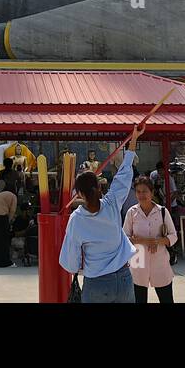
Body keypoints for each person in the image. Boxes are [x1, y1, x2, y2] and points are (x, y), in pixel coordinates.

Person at [59, 124, 143, 303]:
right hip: (124, 278)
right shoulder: (112, 203)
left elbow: (70, 263)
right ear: (99, 186)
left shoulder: (76, 220)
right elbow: (125, 173)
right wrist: (134, 138)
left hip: (97, 281)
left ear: (79, 194)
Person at [123, 174, 178, 303]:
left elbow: (173, 236)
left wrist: (157, 242)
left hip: (160, 261)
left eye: (145, 191)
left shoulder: (162, 212)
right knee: (139, 299)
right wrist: (140, 241)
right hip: (138, 261)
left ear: (152, 193)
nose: (141, 195)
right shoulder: (132, 212)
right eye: (138, 192)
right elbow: (124, 237)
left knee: (166, 299)